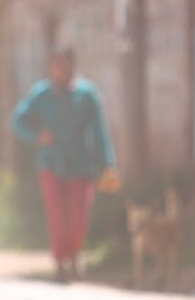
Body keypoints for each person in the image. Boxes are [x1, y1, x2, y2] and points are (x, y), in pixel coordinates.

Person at [11, 46, 117, 283]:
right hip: (51, 164)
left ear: (73, 66)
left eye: (65, 65)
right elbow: (18, 121)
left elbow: (99, 130)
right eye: (56, 66)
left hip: (82, 165)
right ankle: (61, 262)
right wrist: (37, 135)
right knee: (57, 215)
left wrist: (107, 163)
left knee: (78, 216)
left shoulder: (87, 95)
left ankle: (74, 255)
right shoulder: (41, 94)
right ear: (50, 68)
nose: (61, 71)